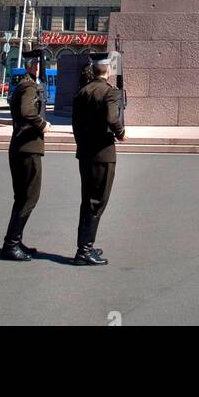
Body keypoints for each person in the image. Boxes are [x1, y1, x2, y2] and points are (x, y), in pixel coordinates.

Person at [71, 51, 125, 265]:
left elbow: (75, 125)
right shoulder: (109, 92)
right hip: (103, 154)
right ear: (109, 70)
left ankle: (85, 245)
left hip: (85, 152)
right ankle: (84, 251)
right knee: (97, 202)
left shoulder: (82, 91)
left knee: (87, 201)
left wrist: (82, 144)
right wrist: (120, 133)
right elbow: (112, 118)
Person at [2, 47, 49, 261]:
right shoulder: (29, 86)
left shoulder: (28, 84)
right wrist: (42, 124)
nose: (38, 67)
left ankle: (15, 241)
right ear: (29, 66)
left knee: (23, 196)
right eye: (35, 64)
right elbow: (27, 111)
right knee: (29, 196)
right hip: (27, 147)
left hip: (23, 146)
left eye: (39, 64)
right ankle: (11, 244)